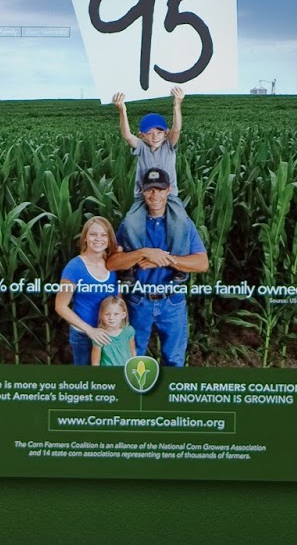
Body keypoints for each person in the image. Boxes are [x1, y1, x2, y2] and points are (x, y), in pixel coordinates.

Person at [108, 167, 209, 366]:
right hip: (138, 301)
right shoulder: (131, 224)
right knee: (132, 359)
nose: (155, 195)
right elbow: (112, 263)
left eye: (160, 189)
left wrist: (164, 258)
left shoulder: (183, 223)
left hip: (172, 301)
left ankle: (165, 396)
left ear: (168, 190)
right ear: (143, 191)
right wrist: (144, 252)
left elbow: (202, 263)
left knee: (174, 360)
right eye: (150, 190)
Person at [112, 87, 190, 225]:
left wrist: (177, 105)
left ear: (166, 132)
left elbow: (177, 129)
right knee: (130, 223)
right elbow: (127, 136)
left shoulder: (169, 145)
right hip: (143, 196)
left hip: (169, 196)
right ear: (142, 135)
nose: (155, 137)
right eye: (150, 133)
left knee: (181, 222)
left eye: (159, 132)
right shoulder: (141, 147)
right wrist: (122, 111)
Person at [53, 215, 120, 365]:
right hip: (84, 336)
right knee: (86, 381)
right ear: (85, 238)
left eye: (104, 235)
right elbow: (61, 306)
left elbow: (118, 297)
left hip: (111, 334)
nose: (98, 239)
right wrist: (90, 330)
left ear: (109, 240)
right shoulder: (75, 267)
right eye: (93, 234)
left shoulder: (112, 263)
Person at [89, 295, 136, 367]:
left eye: (116, 314)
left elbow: (133, 352)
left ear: (123, 315)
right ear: (101, 315)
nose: (111, 318)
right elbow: (95, 363)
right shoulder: (100, 336)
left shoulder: (128, 331)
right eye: (107, 314)